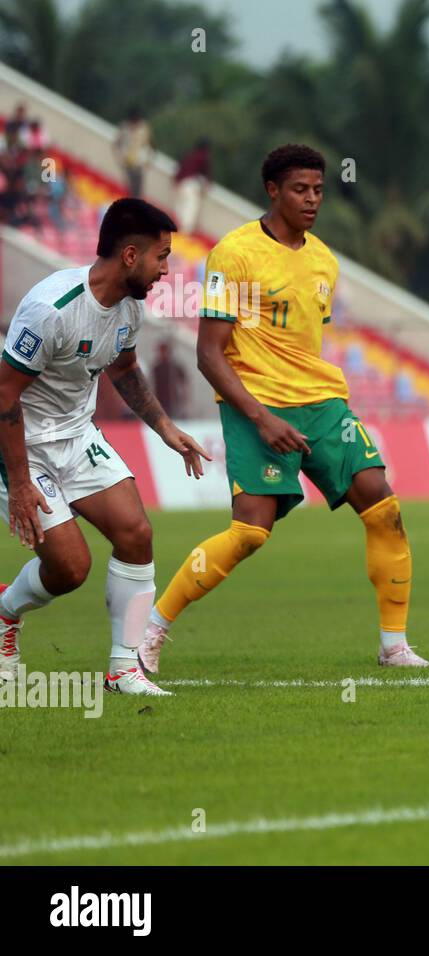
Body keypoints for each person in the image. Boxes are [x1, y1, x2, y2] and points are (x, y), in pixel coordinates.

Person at [141, 144, 427, 671]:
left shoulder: (324, 261)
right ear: (272, 191)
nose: (312, 199)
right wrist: (261, 417)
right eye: (300, 189)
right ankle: (151, 631)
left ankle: (395, 647)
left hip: (321, 403)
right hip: (257, 404)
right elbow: (209, 353)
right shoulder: (235, 253)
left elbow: (299, 343)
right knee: (251, 532)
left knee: (383, 507)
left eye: (318, 190)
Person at [0, 198, 209, 695]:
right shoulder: (51, 308)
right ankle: (5, 613)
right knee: (71, 569)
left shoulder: (129, 309)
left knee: (136, 533)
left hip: (76, 435)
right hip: (23, 441)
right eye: (162, 256)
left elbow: (124, 369)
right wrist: (23, 484)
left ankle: (122, 670)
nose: (166, 268)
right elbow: (4, 393)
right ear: (131, 256)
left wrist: (163, 427)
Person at [173, 139, 211, 234]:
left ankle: (177, 228)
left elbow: (179, 167)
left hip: (182, 183)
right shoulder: (203, 157)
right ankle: (184, 232)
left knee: (181, 207)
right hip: (191, 185)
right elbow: (206, 174)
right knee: (190, 208)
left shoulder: (190, 154)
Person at [114, 108, 151, 197]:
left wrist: (147, 160)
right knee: (129, 188)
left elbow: (149, 146)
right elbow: (117, 143)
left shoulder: (144, 129)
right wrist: (120, 158)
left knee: (138, 190)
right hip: (127, 164)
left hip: (139, 164)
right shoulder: (124, 128)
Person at [150, 339, 188, 418]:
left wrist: (184, 395)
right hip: (160, 398)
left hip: (173, 400)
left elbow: (183, 382)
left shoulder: (174, 367)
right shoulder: (156, 367)